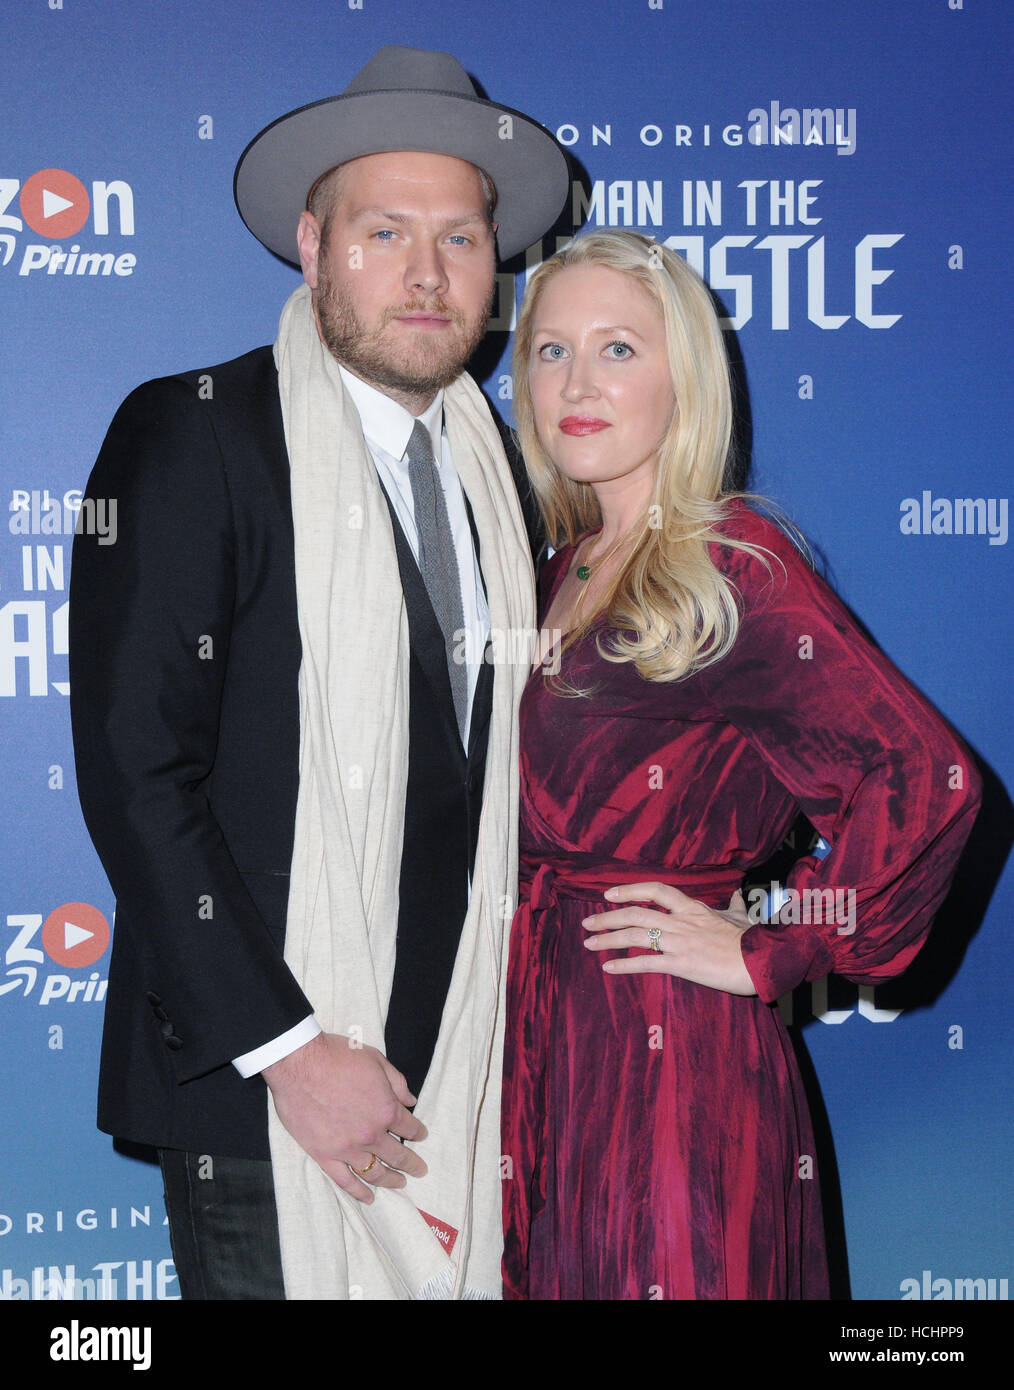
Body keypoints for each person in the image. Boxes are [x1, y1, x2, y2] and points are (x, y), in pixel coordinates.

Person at [69, 46, 569, 1300]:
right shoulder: (191, 430)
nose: (424, 273)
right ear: (312, 244)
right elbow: (138, 770)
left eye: (460, 239)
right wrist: (289, 1049)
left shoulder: (498, 477)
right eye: (384, 230)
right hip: (263, 1089)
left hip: (462, 1072)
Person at [500, 230, 982, 1300]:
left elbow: (928, 780)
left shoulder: (727, 563)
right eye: (549, 350)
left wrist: (777, 947)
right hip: (550, 1053)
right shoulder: (546, 571)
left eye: (619, 349)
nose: (576, 383)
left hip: (671, 1066)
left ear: (686, 380)